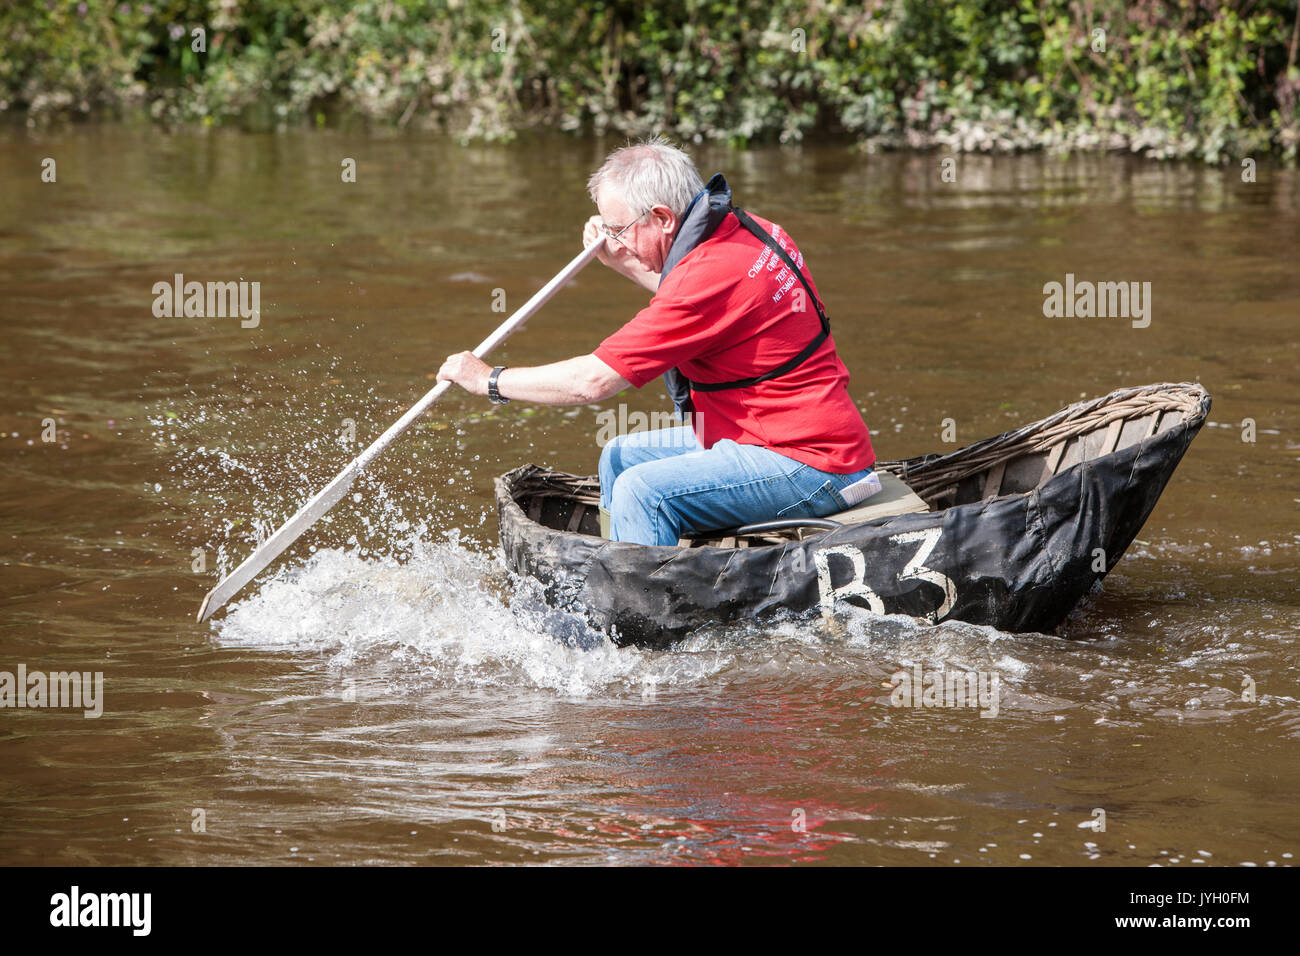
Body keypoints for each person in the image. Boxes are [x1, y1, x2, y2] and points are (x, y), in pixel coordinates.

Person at [437, 137, 877, 546]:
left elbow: (592, 382)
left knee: (643, 490)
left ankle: (636, 617)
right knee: (619, 455)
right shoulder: (744, 230)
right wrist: (621, 260)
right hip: (776, 435)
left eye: (618, 228)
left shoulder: (707, 277)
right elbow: (701, 303)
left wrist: (489, 380)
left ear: (664, 218)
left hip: (814, 463)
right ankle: (619, 566)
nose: (614, 240)